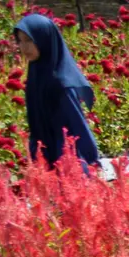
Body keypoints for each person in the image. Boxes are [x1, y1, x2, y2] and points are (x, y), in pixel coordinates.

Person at [13, 14, 101, 168]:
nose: (24, 47)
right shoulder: (36, 73)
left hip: (66, 158)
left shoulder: (59, 83)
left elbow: (77, 123)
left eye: (29, 40)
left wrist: (91, 159)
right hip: (44, 155)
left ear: (44, 40)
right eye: (20, 41)